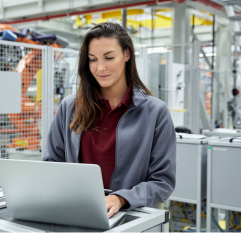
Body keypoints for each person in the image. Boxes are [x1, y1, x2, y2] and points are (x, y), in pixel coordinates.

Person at [43, 22, 176, 218]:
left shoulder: (155, 112)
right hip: (77, 214)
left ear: (127, 55)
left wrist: (121, 198)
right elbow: (51, 164)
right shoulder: (70, 107)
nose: (100, 68)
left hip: (129, 218)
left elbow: (162, 182)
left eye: (109, 57)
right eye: (92, 59)